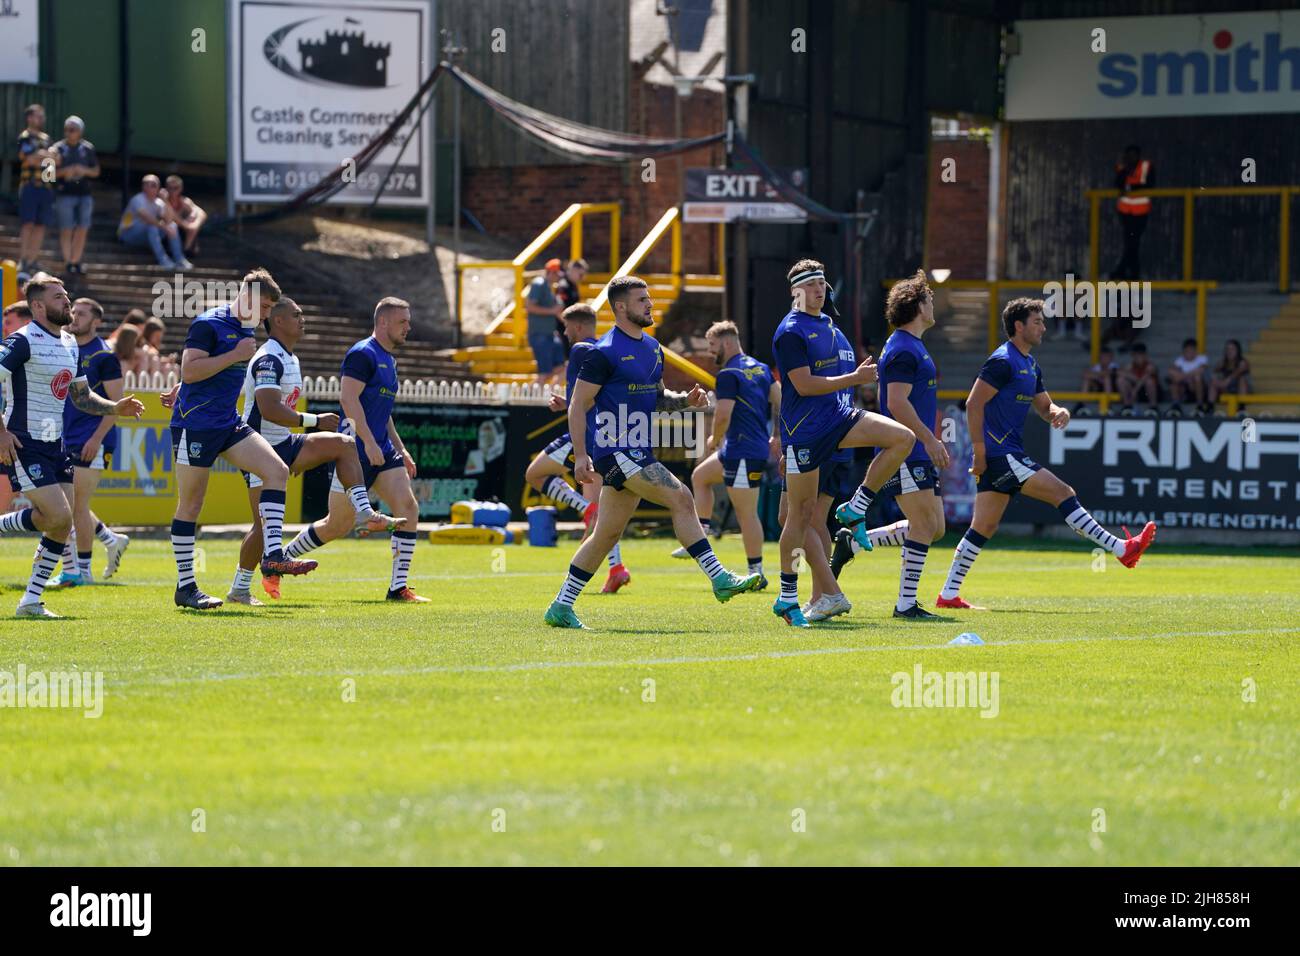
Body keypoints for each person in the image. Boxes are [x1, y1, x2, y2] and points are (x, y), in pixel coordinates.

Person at [543, 275, 761, 629]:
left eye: (649, 298)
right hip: (616, 451)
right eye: (641, 300)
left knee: (606, 535)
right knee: (682, 497)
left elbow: (658, 398)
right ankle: (719, 578)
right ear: (621, 307)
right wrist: (581, 456)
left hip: (637, 450)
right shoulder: (603, 352)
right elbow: (578, 405)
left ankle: (561, 606)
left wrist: (685, 402)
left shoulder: (653, 348)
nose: (650, 304)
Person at [935, 298, 1156, 611]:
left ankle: (947, 595)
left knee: (983, 527)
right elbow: (973, 404)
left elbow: (1043, 405)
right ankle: (1121, 548)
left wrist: (1057, 411)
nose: (1043, 327)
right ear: (1019, 326)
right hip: (1001, 454)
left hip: (1006, 455)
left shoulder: (1030, 365)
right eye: (1037, 321)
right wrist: (980, 453)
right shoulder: (1002, 360)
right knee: (1063, 493)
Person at [224, 296, 404, 605]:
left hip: (284, 443)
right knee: (261, 527)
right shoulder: (270, 359)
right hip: (258, 447)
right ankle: (240, 588)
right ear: (278, 321)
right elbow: (268, 408)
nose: (302, 318)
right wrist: (314, 420)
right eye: (296, 314)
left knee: (345, 445)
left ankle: (362, 513)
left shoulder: (290, 356)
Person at [773, 259, 915, 627]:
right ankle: (791, 596)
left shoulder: (832, 328)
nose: (819, 289)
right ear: (795, 292)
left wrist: (855, 382)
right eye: (811, 284)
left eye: (822, 282)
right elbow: (803, 386)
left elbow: (833, 384)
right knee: (798, 518)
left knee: (903, 438)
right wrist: (855, 378)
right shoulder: (790, 330)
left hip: (839, 422)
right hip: (806, 432)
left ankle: (857, 507)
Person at [167, 268, 316, 610]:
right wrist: (232, 356)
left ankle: (274, 554)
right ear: (246, 296)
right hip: (196, 425)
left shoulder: (246, 328)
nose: (266, 315)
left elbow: (202, 374)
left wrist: (185, 385)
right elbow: (190, 369)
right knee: (191, 505)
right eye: (263, 306)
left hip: (228, 423)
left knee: (276, 471)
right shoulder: (209, 323)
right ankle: (186, 586)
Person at [0, 274, 144, 618]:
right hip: (24, 441)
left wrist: (114, 407)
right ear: (37, 306)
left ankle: (30, 602)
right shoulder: (22, 340)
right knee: (60, 516)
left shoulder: (68, 342)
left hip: (56, 444)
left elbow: (80, 395)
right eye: (58, 297)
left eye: (66, 295)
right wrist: (2, 432)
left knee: (62, 523)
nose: (67, 301)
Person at [277, 297, 427, 603]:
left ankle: (398, 588)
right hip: (354, 453)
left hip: (382, 450)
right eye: (403, 322)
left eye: (408, 321)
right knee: (337, 525)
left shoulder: (390, 360)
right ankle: (278, 560)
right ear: (382, 322)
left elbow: (382, 412)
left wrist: (400, 448)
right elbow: (348, 399)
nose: (408, 327)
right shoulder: (362, 354)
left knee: (408, 508)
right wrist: (369, 443)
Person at [832, 271, 948, 619]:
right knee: (925, 526)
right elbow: (896, 403)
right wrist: (928, 440)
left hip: (916, 450)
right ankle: (905, 604)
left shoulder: (912, 345)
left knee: (934, 528)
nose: (933, 303)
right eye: (928, 298)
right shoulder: (901, 348)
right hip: (909, 451)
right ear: (916, 306)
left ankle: (850, 542)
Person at [523, 303, 631, 593]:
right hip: (607, 436)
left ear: (579, 327)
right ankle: (616, 568)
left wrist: (571, 407)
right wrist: (566, 403)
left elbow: (581, 404)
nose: (565, 332)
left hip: (584, 436)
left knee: (535, 474)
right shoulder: (609, 351)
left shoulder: (581, 351)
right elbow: (593, 398)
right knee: (602, 516)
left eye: (567, 327)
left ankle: (586, 510)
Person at [670, 320, 779, 591]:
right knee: (700, 476)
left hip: (742, 450)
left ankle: (757, 571)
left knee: (746, 514)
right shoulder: (761, 368)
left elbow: (723, 414)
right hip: (741, 448)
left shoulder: (729, 373)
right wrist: (776, 435)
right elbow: (782, 402)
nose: (710, 352)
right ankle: (702, 530)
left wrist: (714, 439)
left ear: (728, 343)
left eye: (713, 346)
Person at [48, 297, 130, 587]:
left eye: (82, 314)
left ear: (97, 321)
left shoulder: (104, 356)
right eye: (74, 312)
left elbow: (116, 403)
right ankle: (111, 540)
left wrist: (97, 438)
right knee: (70, 505)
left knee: (76, 507)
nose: (75, 317)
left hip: (92, 439)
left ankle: (82, 571)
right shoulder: (65, 347)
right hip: (65, 437)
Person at [52, 116, 99, 277]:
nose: (68, 132)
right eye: (66, 129)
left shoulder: (88, 148)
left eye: (72, 129)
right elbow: (46, 175)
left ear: (80, 132)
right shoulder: (56, 148)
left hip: (84, 193)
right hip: (65, 193)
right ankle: (68, 262)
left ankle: (76, 260)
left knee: (82, 229)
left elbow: (96, 171)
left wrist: (82, 170)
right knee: (66, 229)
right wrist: (66, 171)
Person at [118, 175, 192, 270]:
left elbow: (169, 220)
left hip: (146, 236)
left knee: (172, 226)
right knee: (152, 226)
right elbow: (147, 218)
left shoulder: (159, 202)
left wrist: (165, 200)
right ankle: (164, 260)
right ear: (143, 187)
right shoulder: (137, 199)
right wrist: (164, 227)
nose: (151, 187)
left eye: (154, 185)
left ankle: (179, 259)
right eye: (147, 184)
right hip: (127, 234)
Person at [16, 104, 54, 276]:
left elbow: (52, 163)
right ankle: (23, 259)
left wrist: (42, 157)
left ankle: (32, 259)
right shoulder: (24, 137)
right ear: (29, 118)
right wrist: (45, 156)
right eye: (37, 115)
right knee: (28, 223)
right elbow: (27, 158)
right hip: (29, 185)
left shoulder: (46, 138)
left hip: (45, 186)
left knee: (40, 225)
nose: (40, 119)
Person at [1111, 144, 1152, 281]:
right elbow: (1117, 184)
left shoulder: (1145, 166)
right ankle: (1131, 273)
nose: (1131, 158)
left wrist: (1130, 187)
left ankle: (1123, 271)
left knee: (1133, 243)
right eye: (1129, 155)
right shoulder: (1122, 168)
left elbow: (1149, 184)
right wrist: (1125, 174)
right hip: (1125, 212)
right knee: (1131, 243)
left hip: (1140, 212)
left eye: (1134, 155)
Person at [526, 259, 565, 384]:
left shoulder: (549, 287)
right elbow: (530, 307)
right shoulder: (539, 284)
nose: (559, 277)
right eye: (557, 274)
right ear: (552, 272)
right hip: (539, 335)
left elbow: (556, 311)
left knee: (560, 368)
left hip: (550, 335)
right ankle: (528, 394)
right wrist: (552, 311)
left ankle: (549, 394)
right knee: (545, 373)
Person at [162, 175, 207, 257]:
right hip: (166, 233)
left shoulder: (184, 201)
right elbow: (171, 215)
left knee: (192, 218)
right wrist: (186, 225)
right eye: (170, 188)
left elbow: (201, 213)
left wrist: (194, 226)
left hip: (181, 233)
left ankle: (186, 250)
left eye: (175, 188)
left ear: (181, 188)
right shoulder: (162, 201)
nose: (172, 191)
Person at [1117, 342, 1159, 414]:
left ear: (1145, 355)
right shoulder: (1130, 366)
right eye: (1136, 355)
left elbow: (1144, 379)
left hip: (1146, 392)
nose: (1138, 358)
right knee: (1121, 380)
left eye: (1140, 355)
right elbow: (1119, 372)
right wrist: (1131, 376)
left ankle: (1153, 407)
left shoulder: (1150, 366)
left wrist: (1135, 390)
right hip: (1134, 393)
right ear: (1133, 355)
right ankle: (1127, 406)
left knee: (1149, 382)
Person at [1167, 337, 1208, 411]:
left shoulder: (1202, 358)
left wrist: (1184, 377)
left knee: (1197, 378)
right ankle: (1176, 404)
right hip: (1184, 387)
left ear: (1196, 351)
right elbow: (1170, 371)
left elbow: (1201, 370)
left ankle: (1199, 403)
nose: (1190, 353)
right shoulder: (1179, 360)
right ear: (1184, 351)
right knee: (1173, 380)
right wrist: (1187, 379)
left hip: (1197, 387)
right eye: (1188, 351)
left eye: (1192, 350)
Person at [1208, 339, 1251, 408]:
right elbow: (1213, 374)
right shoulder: (1222, 363)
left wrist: (1226, 381)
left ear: (1238, 350)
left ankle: (1242, 406)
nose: (1229, 351)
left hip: (1240, 390)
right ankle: (1210, 406)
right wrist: (1218, 381)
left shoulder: (1243, 363)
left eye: (1232, 349)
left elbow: (1236, 374)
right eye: (1227, 349)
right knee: (1214, 381)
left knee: (1242, 380)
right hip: (1226, 389)